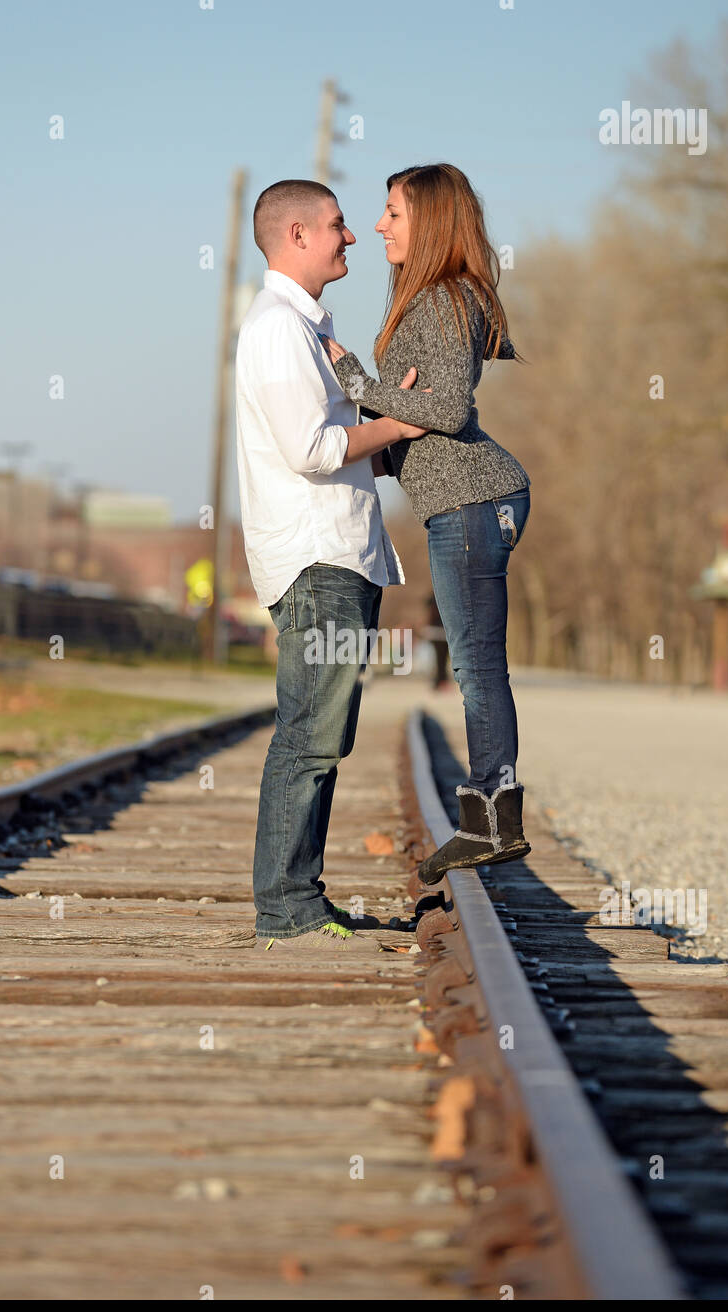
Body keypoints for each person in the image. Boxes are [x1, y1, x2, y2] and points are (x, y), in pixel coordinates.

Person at [322, 163, 533, 884]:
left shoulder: (442, 301)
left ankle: (492, 823)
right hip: (464, 499)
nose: (378, 224)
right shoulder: (436, 299)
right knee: (474, 663)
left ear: (430, 221)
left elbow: (443, 412)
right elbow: (415, 423)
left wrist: (352, 380)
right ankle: (490, 818)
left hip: (473, 502)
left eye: (391, 212)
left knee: (474, 665)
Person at [234, 179, 425, 950]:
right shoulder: (279, 329)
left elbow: (336, 456)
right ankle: (285, 908)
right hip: (316, 559)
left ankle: (299, 899)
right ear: (298, 236)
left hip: (338, 555)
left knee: (323, 735)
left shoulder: (306, 330)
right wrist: (392, 423)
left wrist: (383, 432)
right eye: (340, 226)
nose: (352, 237)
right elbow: (312, 451)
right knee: (310, 735)